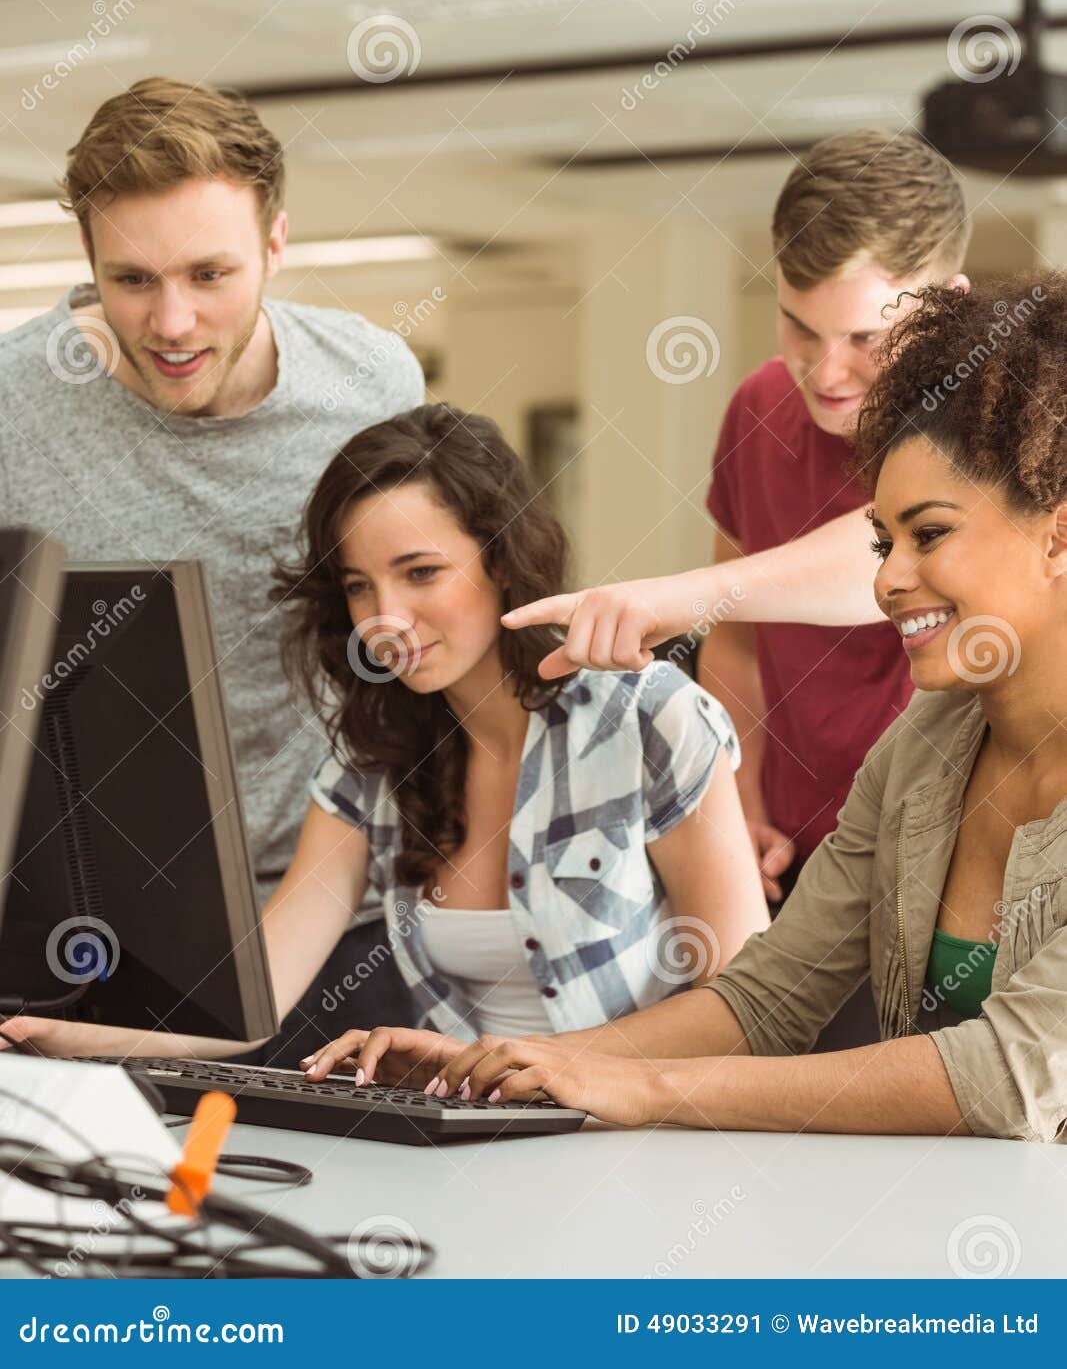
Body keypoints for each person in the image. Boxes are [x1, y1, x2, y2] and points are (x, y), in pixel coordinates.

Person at [311, 275, 1067, 1144]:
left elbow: (1011, 1076)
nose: (888, 579)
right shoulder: (920, 750)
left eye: (927, 534)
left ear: (1055, 532)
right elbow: (765, 998)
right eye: (882, 541)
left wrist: (642, 1086)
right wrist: (507, 1067)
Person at [0, 406, 768, 1067]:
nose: (385, 620)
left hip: (646, 1139)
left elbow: (747, 1004)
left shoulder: (649, 716)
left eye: (421, 573)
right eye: (359, 586)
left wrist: (540, 1067)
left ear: (503, 561)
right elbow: (250, 1002)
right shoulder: (372, 762)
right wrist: (69, 1039)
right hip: (472, 1146)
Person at [0, 77, 424, 1044]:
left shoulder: (370, 385)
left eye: (208, 275)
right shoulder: (12, 405)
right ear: (87, 260)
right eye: (132, 280)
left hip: (332, 920)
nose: (173, 323)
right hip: (78, 934)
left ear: (275, 243)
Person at [497, 133, 971, 907]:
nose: (826, 371)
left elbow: (883, 551)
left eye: (865, 338)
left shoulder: (990, 417)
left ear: (948, 305)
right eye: (799, 327)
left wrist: (672, 597)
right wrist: (740, 802)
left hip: (949, 850)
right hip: (795, 847)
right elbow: (738, 637)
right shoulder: (760, 407)